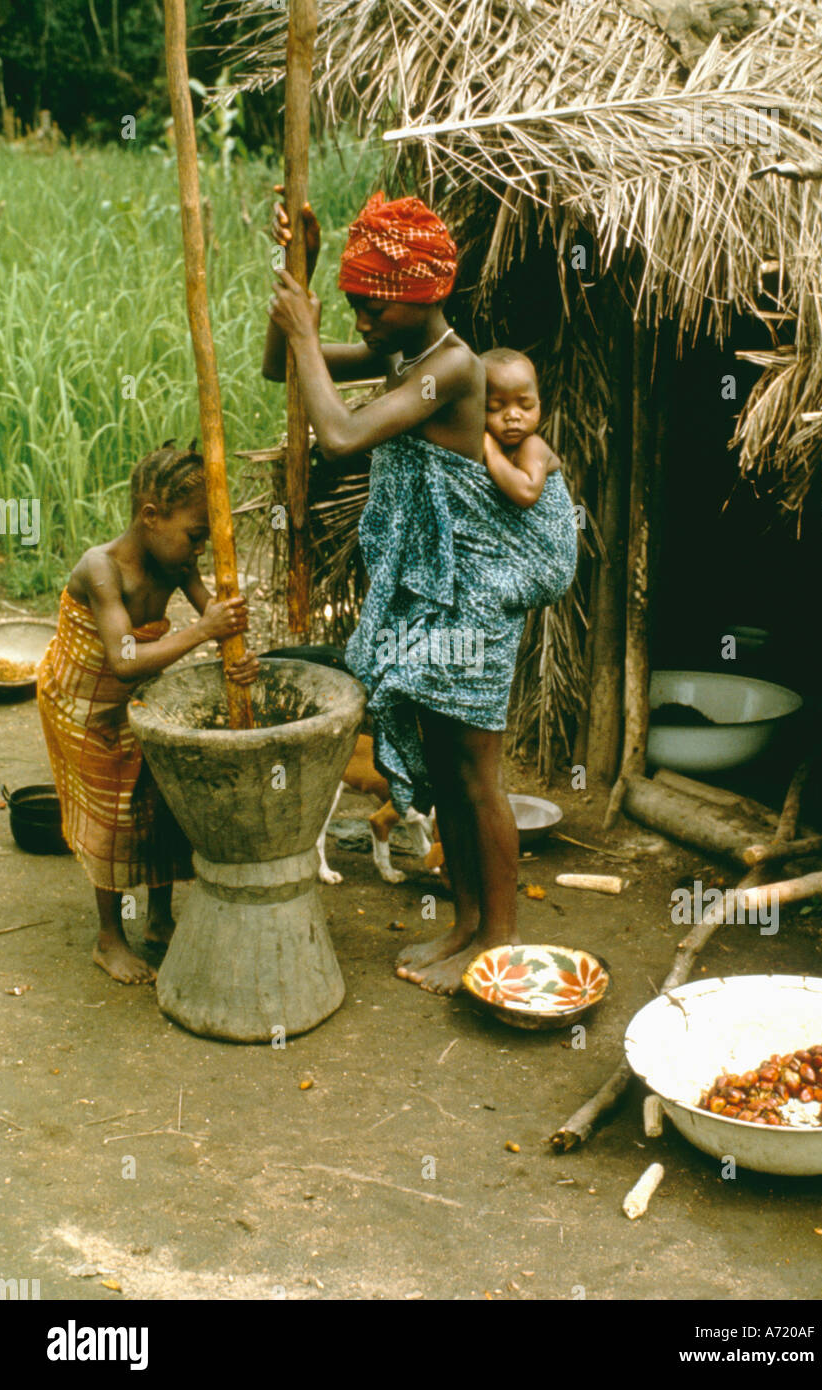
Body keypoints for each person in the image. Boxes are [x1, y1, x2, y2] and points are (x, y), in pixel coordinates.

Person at [264, 191, 578, 994]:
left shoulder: (451, 367)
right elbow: (281, 368)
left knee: (477, 779)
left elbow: (335, 436)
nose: (359, 320)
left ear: (421, 297)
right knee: (444, 775)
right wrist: (294, 272)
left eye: (371, 306)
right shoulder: (404, 354)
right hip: (432, 597)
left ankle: (497, 942)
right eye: (350, 307)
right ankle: (465, 926)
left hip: (471, 601)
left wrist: (305, 329)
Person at [37, 442, 259, 984]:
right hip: (80, 705)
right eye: (194, 535)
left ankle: (159, 919)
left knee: (160, 797)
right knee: (110, 817)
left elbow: (213, 613)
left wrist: (237, 653)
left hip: (131, 699)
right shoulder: (102, 569)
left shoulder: (175, 561)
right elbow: (124, 658)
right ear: (151, 517)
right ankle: (109, 938)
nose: (198, 550)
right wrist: (205, 631)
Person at [481, 347, 561, 508]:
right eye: (494, 407)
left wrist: (492, 452)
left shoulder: (533, 445)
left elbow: (526, 493)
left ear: (539, 405)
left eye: (526, 406)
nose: (513, 416)